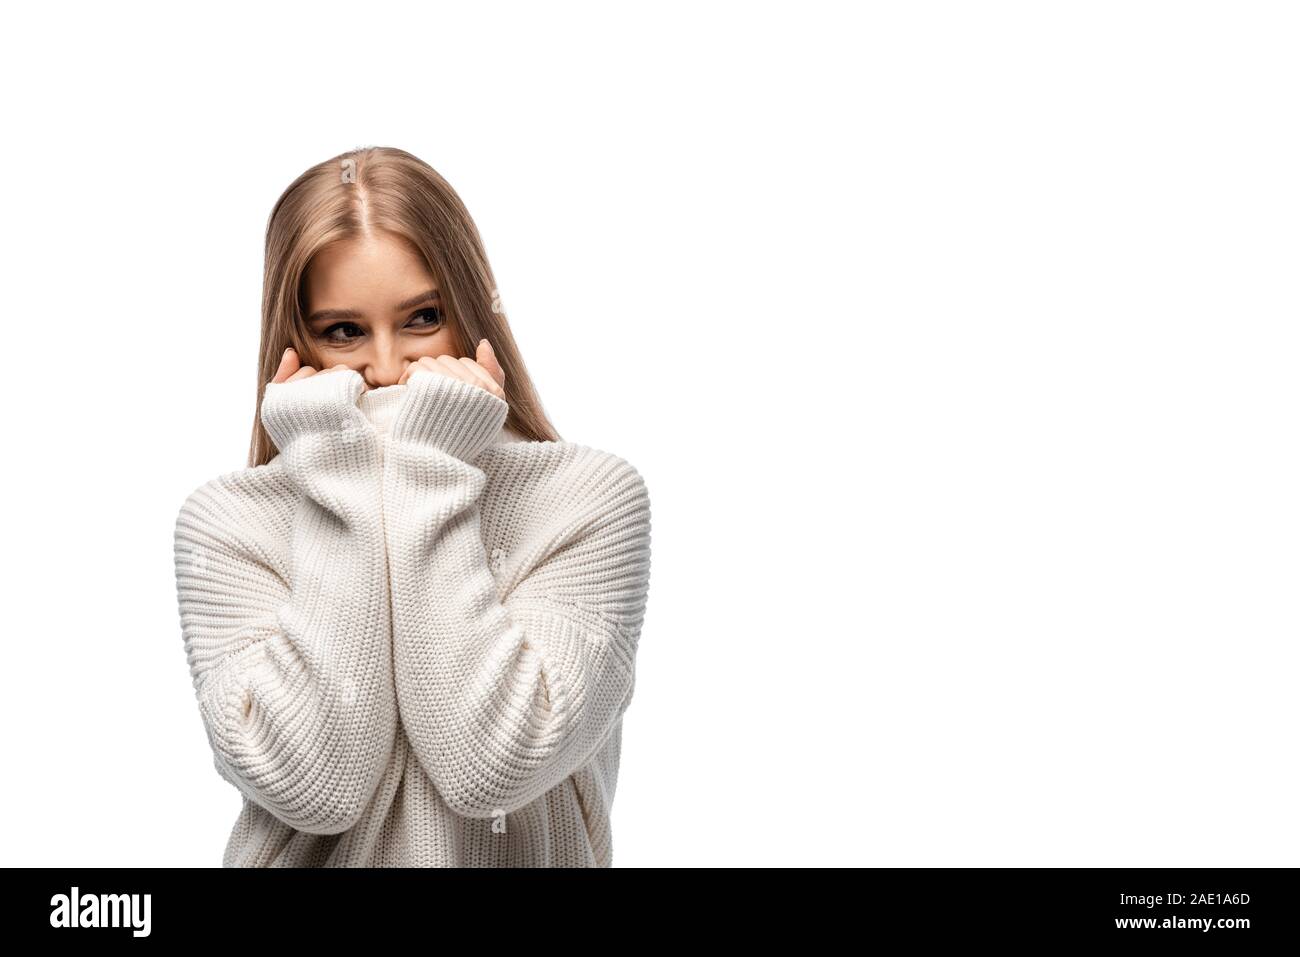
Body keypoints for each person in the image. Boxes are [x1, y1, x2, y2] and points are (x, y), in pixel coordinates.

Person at [171, 146, 653, 867]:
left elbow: (492, 762)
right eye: (344, 332)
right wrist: (343, 478)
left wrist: (429, 468)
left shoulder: (586, 502)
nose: (389, 367)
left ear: (469, 313)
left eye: (423, 318)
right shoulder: (229, 524)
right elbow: (315, 783)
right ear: (294, 340)